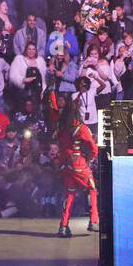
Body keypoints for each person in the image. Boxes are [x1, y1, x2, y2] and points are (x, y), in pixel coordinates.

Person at [46, 90, 100, 236]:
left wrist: (51, 91)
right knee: (92, 188)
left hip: (65, 165)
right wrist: (91, 159)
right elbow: (93, 147)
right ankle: (94, 220)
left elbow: (52, 109)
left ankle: (63, 226)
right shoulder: (80, 128)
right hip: (78, 163)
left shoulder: (60, 123)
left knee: (70, 194)